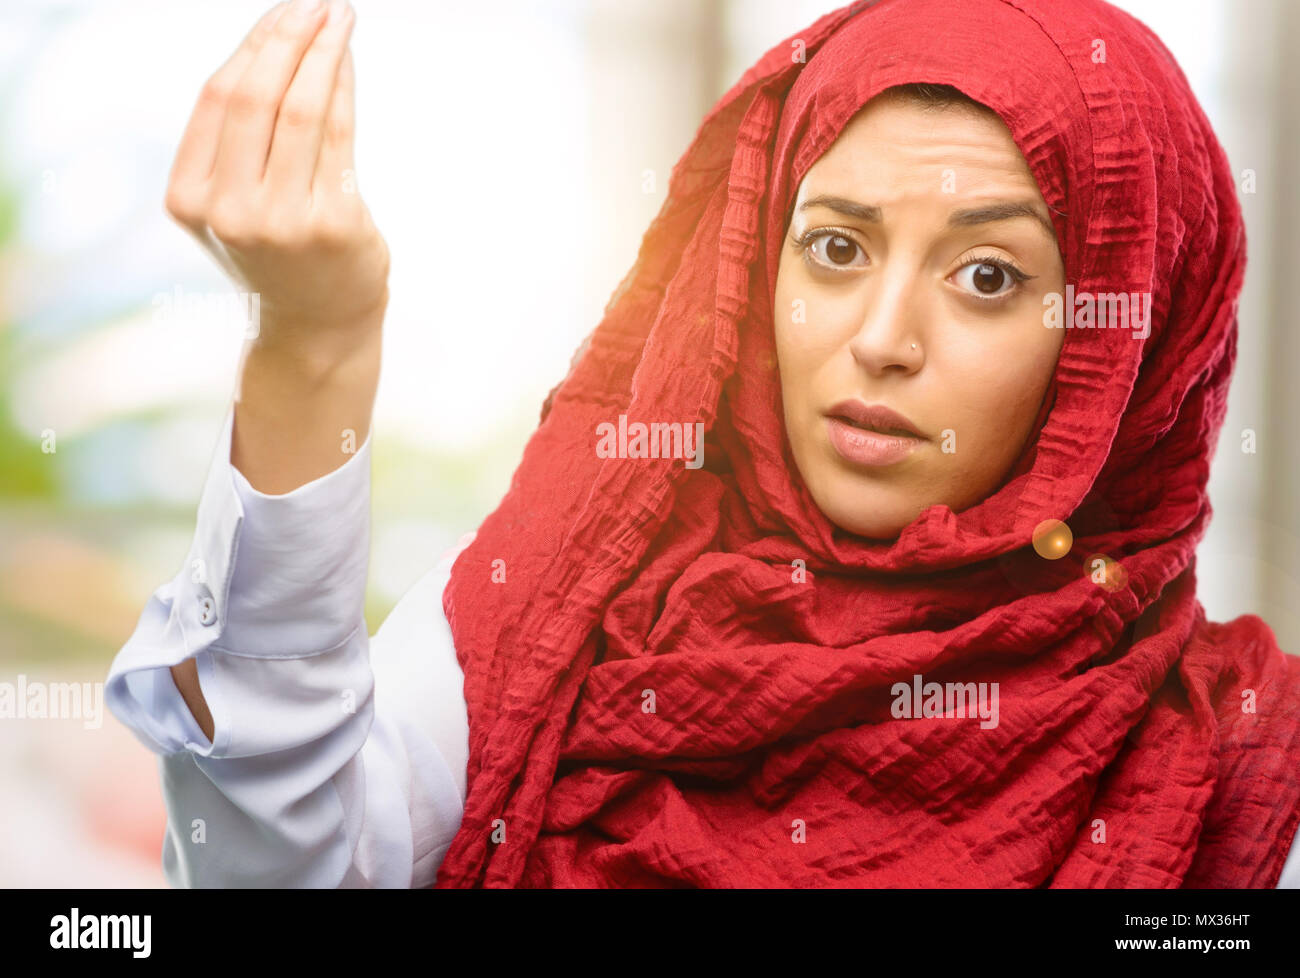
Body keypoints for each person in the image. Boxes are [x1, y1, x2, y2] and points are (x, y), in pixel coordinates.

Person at [106, 0, 1300, 888]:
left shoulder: (1240, 774)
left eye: (986, 276)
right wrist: (312, 347)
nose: (880, 339)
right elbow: (267, 872)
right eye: (834, 248)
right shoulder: (559, 611)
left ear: (1126, 355)